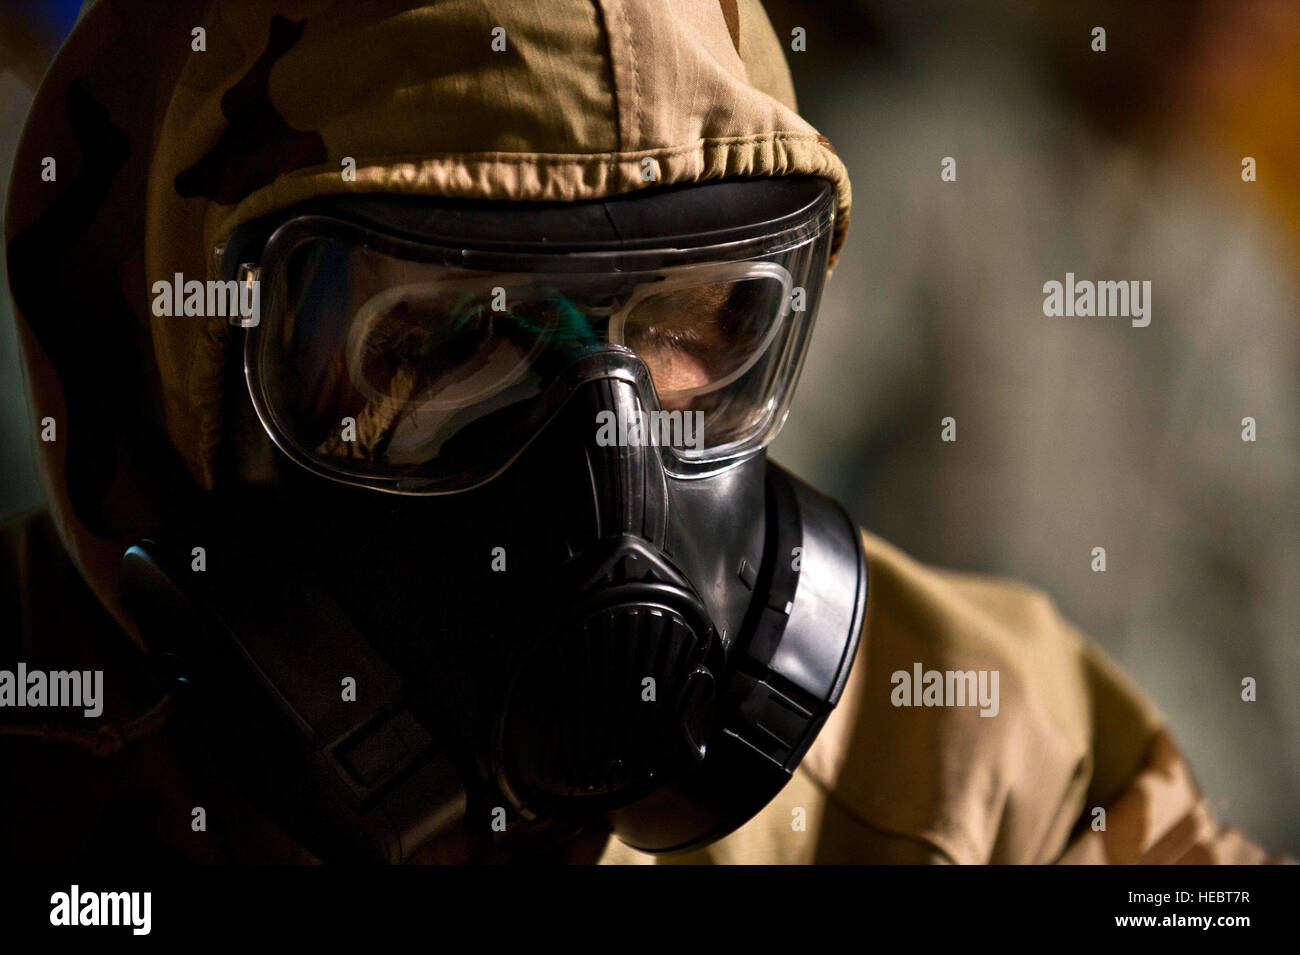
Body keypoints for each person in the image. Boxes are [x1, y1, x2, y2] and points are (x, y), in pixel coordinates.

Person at [1, 0, 1284, 864]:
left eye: (694, 323)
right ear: (181, 381)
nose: (606, 461)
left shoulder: (984, 764)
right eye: (443, 337)